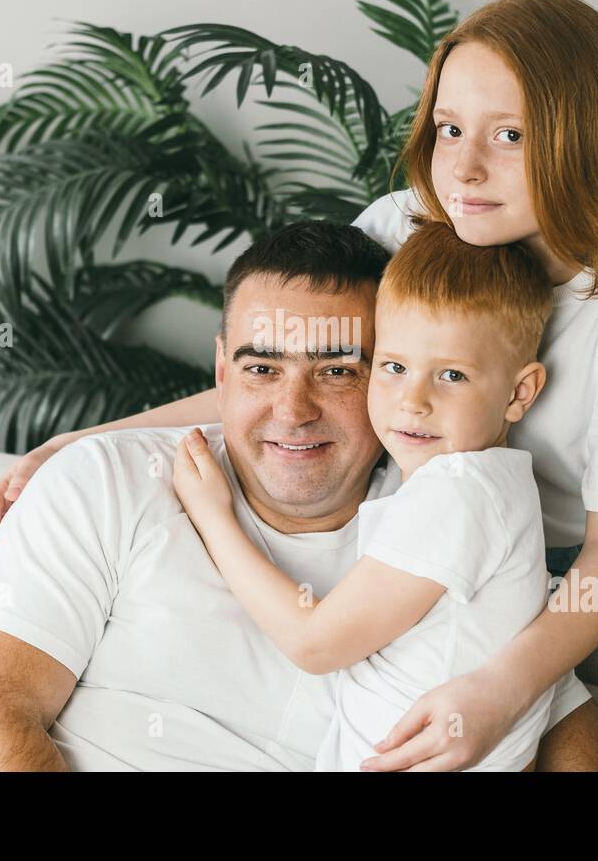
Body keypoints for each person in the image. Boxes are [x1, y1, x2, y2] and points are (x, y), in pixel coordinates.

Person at [0, 0, 598, 770]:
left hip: (577, 553)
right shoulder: (405, 227)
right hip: (429, 525)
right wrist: (86, 440)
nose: (462, 166)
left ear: (583, 140)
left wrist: (503, 687)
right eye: (450, 129)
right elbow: (292, 378)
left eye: (510, 136)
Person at [0, 221, 598, 771]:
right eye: (262, 369)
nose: (292, 410)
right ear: (221, 372)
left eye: (338, 371)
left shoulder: (436, 519)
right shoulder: (108, 482)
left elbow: (551, 711)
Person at [172, 221, 566, 771]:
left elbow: (315, 644)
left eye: (451, 375)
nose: (413, 402)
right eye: (395, 367)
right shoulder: (489, 482)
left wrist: (213, 517)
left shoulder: (458, 496)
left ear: (519, 393)